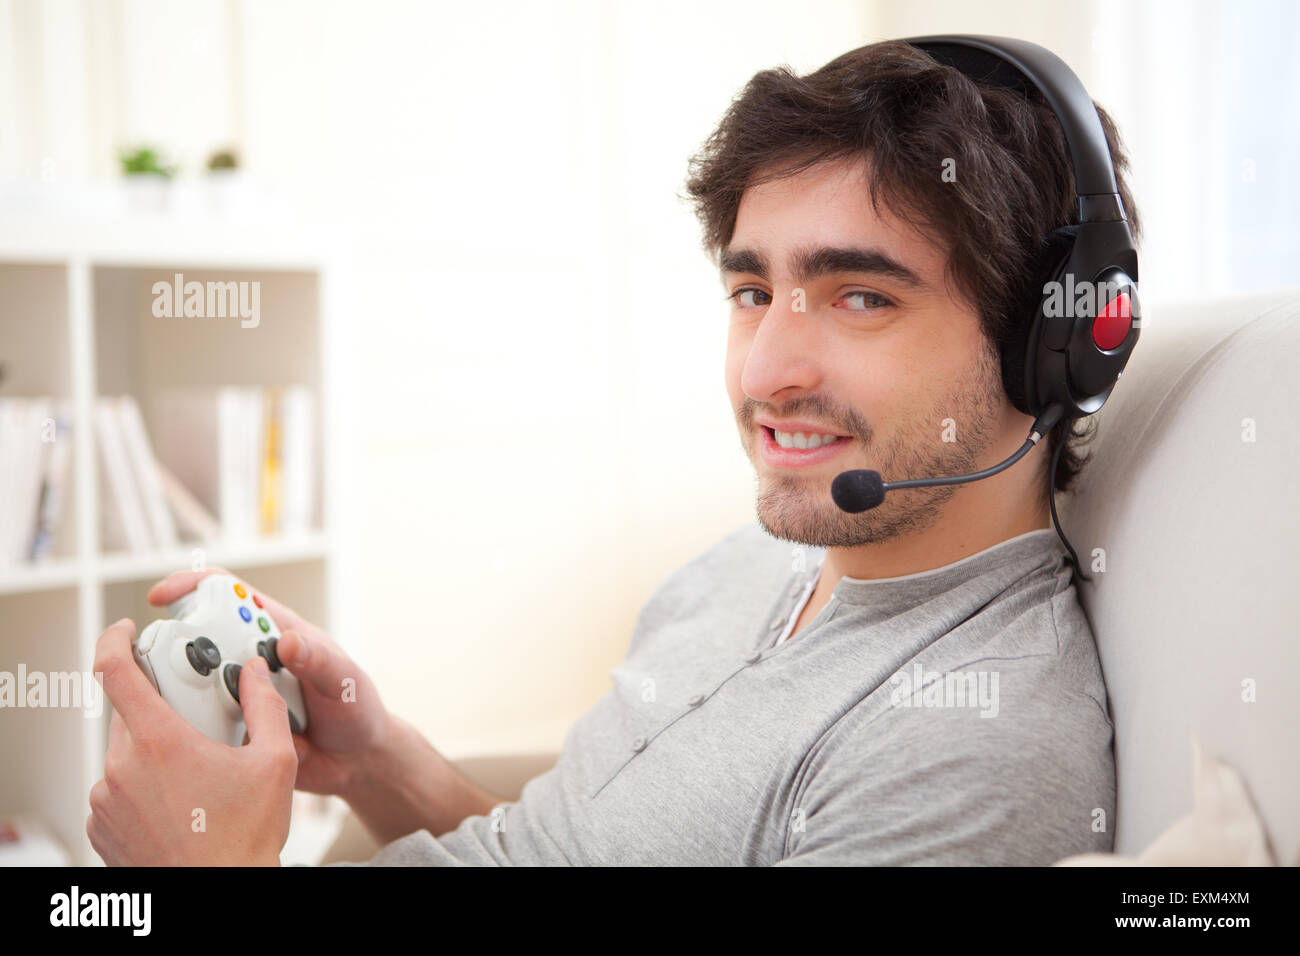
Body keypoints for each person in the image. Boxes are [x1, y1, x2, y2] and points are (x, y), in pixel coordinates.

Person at [87, 37, 1139, 866]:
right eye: (750, 290)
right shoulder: (759, 557)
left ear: (1047, 342)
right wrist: (378, 760)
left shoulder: (968, 748)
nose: (763, 371)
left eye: (860, 295)